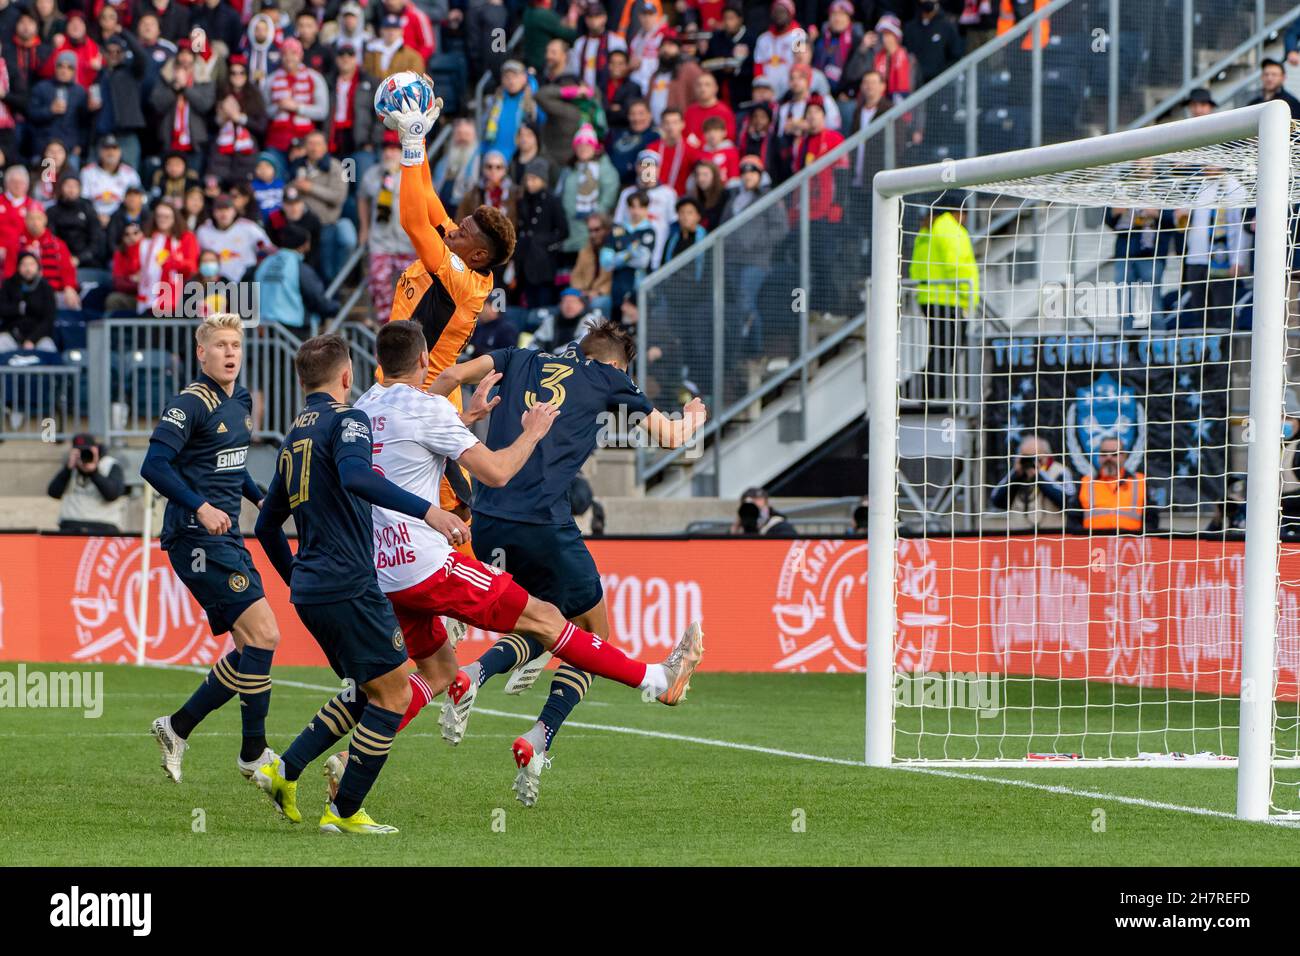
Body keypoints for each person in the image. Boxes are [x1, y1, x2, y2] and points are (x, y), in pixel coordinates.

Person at [415, 318, 707, 803]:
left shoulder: (519, 356)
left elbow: (447, 377)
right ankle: (538, 732)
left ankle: (474, 677)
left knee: (546, 621)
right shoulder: (608, 376)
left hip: (488, 521)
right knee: (593, 635)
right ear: (616, 362)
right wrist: (694, 415)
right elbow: (672, 437)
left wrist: (443, 420)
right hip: (543, 525)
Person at [250, 333, 463, 834]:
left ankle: (282, 770)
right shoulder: (349, 420)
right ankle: (345, 812)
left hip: (313, 590)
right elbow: (357, 479)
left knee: (369, 690)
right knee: (392, 697)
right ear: (347, 376)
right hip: (349, 583)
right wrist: (429, 510)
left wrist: (297, 577)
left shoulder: (294, 436)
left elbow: (265, 525)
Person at [140, 313, 280, 785]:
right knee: (264, 635)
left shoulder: (239, 400)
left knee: (250, 648)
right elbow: (154, 465)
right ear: (202, 353)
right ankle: (253, 753)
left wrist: (259, 497)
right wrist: (199, 507)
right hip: (194, 535)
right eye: (220, 345)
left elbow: (228, 464)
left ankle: (177, 727)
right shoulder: (189, 402)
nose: (230, 353)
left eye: (235, 345)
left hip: (226, 536)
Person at [382, 89, 518, 522]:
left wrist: (408, 146)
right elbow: (428, 201)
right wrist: (418, 139)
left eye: (463, 232)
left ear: (477, 255)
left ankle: (480, 583)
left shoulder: (461, 278)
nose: (454, 229)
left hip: (427, 400)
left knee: (451, 513)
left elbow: (410, 220)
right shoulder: (459, 252)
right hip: (398, 392)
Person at [909, 190, 979, 403]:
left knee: (938, 350)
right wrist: (969, 298)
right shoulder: (949, 228)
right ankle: (936, 399)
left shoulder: (928, 229)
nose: (965, 218)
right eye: (964, 213)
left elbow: (915, 269)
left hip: (929, 298)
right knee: (947, 351)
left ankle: (931, 397)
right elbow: (956, 267)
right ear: (957, 211)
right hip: (949, 299)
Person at [358, 132, 417, 323]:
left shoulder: (412, 173)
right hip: (381, 241)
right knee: (378, 281)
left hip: (408, 242)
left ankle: (407, 325)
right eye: (386, 149)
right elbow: (362, 198)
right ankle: (386, 325)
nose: (389, 153)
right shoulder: (373, 174)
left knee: (413, 288)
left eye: (394, 149)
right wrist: (364, 227)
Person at [988, 434, 1075, 530]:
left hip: (1052, 536)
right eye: (1026, 457)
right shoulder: (1016, 474)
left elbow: (1068, 501)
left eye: (1035, 457)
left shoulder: (1059, 471)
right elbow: (996, 500)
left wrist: (1039, 475)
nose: (1030, 461)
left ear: (1046, 455)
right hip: (1019, 536)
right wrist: (1015, 474)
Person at [47, 432, 127, 533]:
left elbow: (112, 494)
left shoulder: (110, 465)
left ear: (96, 450)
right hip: (70, 526)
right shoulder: (71, 466)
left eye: (87, 450)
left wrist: (93, 472)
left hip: (103, 527)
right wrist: (68, 469)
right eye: (79, 451)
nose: (83, 455)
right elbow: (53, 493)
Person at [515, 157, 569, 308]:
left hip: (544, 262)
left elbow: (563, 230)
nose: (530, 183)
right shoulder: (523, 200)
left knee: (543, 302)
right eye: (528, 179)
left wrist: (542, 241)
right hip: (525, 260)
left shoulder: (552, 200)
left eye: (534, 178)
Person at [1075, 435, 1152, 533]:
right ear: (1098, 456)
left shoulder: (1140, 481)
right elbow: (1074, 520)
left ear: (1124, 456)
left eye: (1114, 454)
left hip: (1130, 544)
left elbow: (1151, 520)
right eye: (1104, 454)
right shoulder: (1085, 482)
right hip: (1094, 545)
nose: (1109, 458)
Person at [196, 194, 272, 282]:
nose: (224, 213)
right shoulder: (203, 231)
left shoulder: (249, 228)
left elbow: (268, 249)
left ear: (234, 211)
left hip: (246, 281)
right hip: (217, 284)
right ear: (213, 212)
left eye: (227, 209)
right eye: (219, 209)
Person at [80, 136, 143, 226]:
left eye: (114, 148)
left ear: (120, 151)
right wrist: (95, 216)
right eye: (107, 149)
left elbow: (137, 199)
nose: (111, 152)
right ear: (100, 151)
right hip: (93, 217)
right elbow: (84, 200)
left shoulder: (130, 173)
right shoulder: (87, 172)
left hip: (121, 218)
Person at [0, 251, 56, 349]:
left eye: (31, 264)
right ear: (18, 267)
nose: (28, 268)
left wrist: (32, 339)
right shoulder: (8, 285)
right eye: (24, 264)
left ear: (37, 267)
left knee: (48, 348)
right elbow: (2, 309)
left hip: (38, 336)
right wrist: (18, 308)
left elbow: (48, 319)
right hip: (11, 334)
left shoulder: (45, 287)